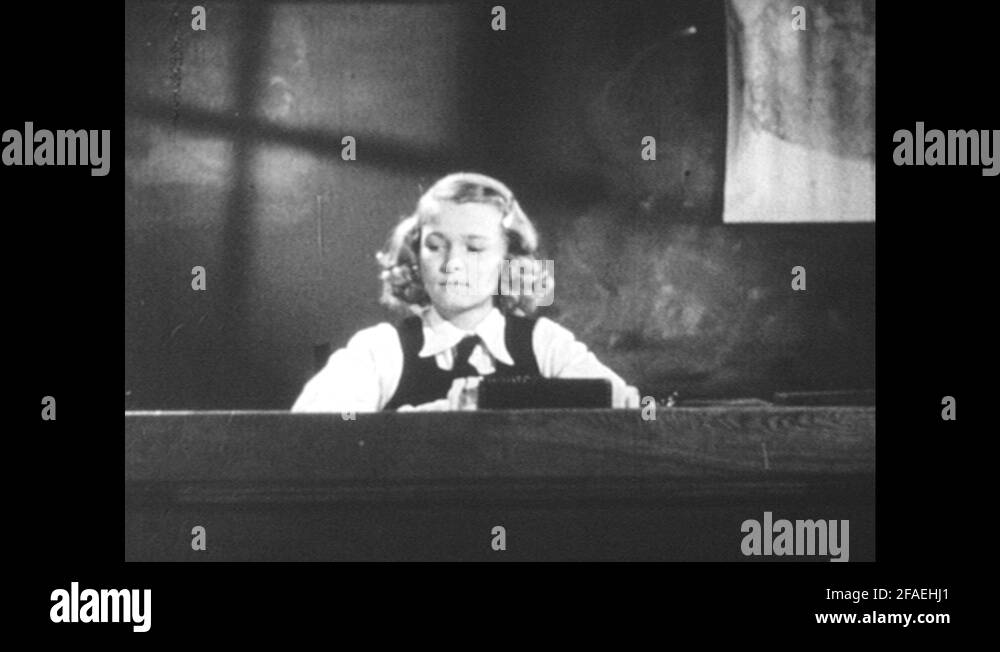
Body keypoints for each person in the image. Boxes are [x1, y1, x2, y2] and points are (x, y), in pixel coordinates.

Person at [291, 172, 639, 412]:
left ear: (509, 260)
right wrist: (443, 414)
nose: (452, 264)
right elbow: (314, 430)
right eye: (435, 246)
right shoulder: (380, 349)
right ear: (415, 254)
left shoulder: (547, 343)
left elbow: (620, 407)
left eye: (474, 248)